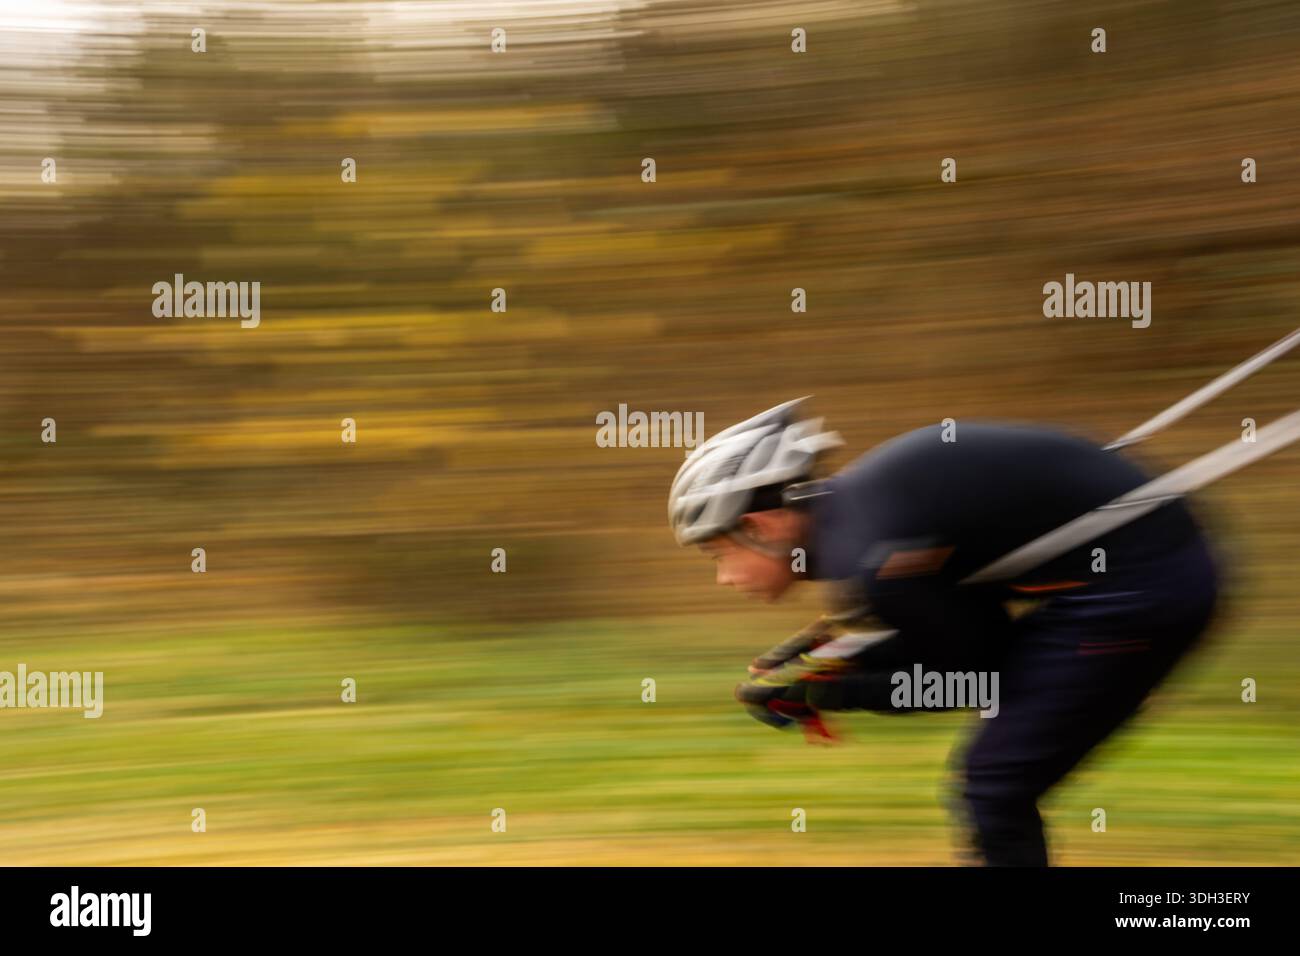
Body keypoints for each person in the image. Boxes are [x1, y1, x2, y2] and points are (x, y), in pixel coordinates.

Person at [668, 397, 1220, 866]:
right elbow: (950, 624)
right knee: (994, 778)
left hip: (1143, 588)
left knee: (996, 782)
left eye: (718, 553)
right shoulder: (862, 521)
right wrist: (822, 661)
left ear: (759, 526)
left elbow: (977, 675)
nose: (723, 578)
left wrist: (822, 687)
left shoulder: (872, 554)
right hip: (1128, 572)